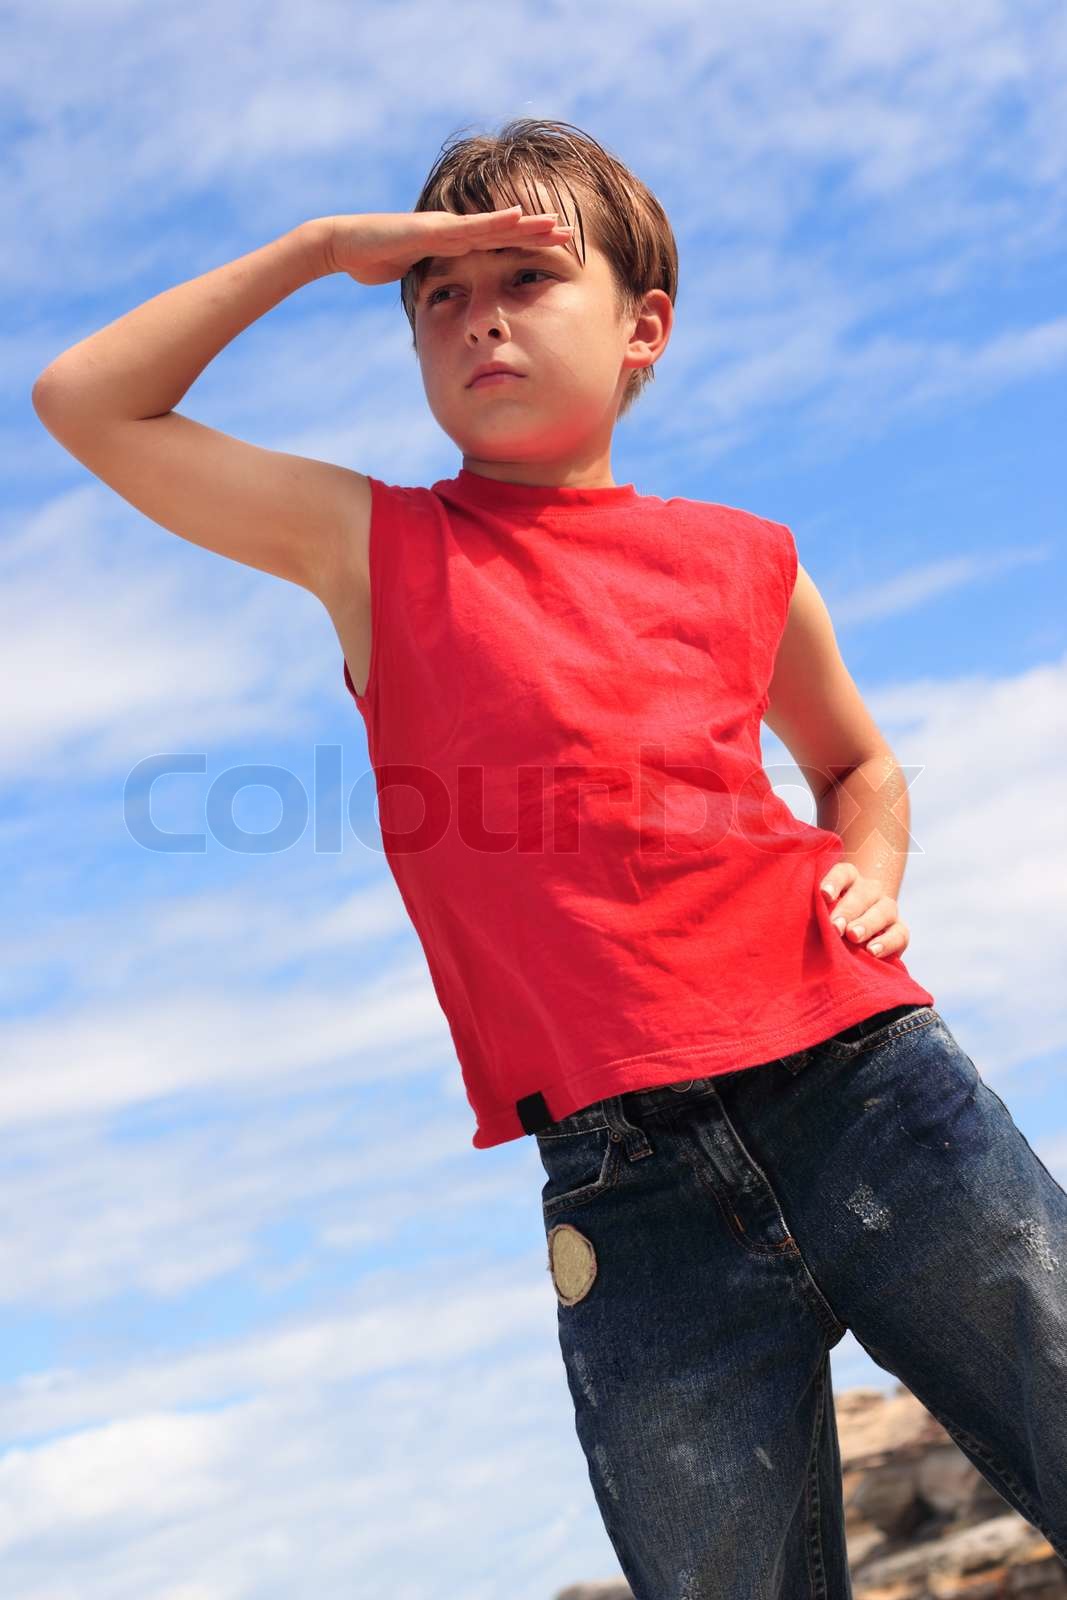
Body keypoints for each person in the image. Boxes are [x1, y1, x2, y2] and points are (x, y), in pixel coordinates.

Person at [32, 116, 1067, 1597]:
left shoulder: (744, 557)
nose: (478, 315)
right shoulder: (370, 546)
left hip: (870, 1084)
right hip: (625, 1188)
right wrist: (326, 250)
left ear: (643, 330)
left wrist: (875, 864)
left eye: (526, 273)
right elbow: (88, 403)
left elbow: (858, 763)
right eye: (439, 292)